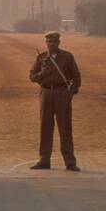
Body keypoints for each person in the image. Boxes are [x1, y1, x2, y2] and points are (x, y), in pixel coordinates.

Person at [29, 31, 81, 171]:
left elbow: (76, 77)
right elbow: (32, 77)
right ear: (45, 43)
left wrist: (70, 93)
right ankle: (44, 160)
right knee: (45, 127)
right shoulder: (41, 58)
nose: (51, 44)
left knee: (65, 128)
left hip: (61, 93)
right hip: (46, 92)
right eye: (48, 42)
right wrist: (44, 71)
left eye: (53, 42)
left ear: (58, 42)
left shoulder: (67, 57)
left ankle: (70, 162)